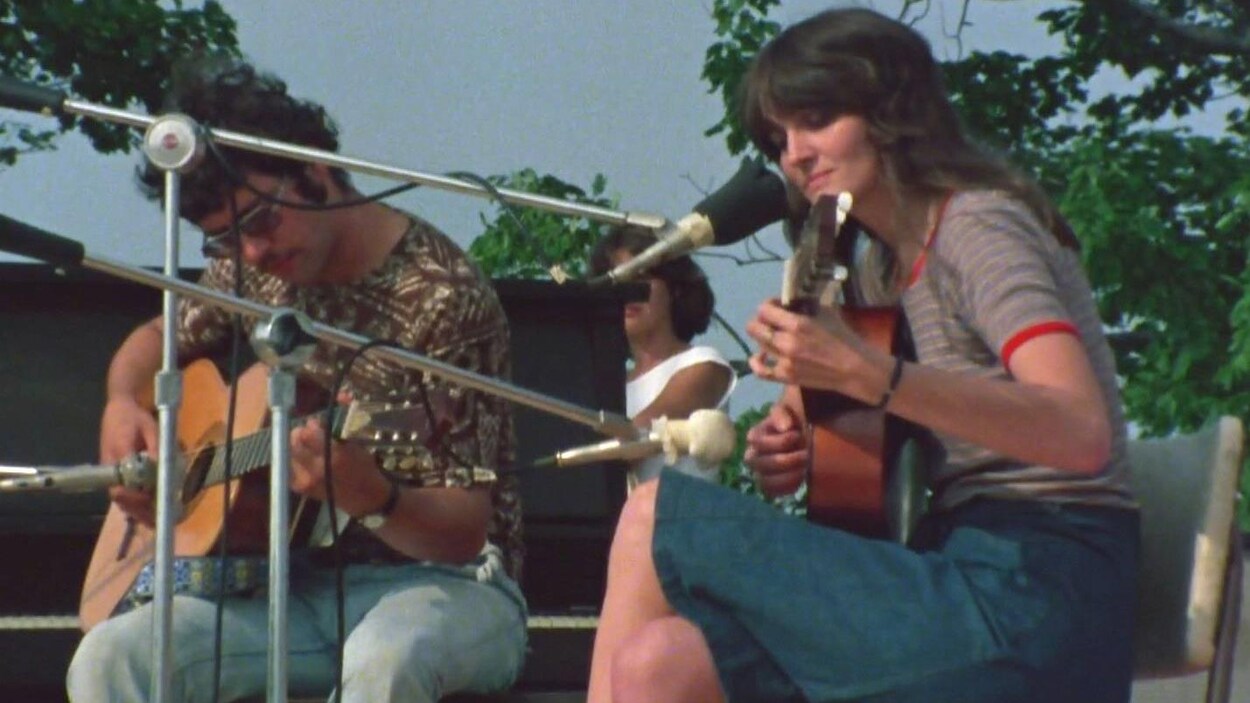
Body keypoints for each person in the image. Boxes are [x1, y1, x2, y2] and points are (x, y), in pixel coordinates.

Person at [586, 8, 1139, 703]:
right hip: (952, 569)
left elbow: (1081, 431)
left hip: (1039, 593)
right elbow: (869, 443)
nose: (794, 153)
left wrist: (873, 376)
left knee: (652, 516)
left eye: (815, 119)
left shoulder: (978, 224)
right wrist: (796, 443)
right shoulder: (871, 266)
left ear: (891, 107)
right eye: (778, 137)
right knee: (659, 662)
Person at [67, 56, 526, 703]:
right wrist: (121, 402)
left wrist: (376, 495)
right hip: (283, 587)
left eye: (258, 222)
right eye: (224, 240)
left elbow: (464, 530)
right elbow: (153, 339)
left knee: (384, 661)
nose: (250, 251)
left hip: (448, 586)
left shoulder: (444, 297)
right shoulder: (256, 267)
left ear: (312, 169)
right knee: (112, 658)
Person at [589, 225, 736, 484]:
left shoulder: (704, 363)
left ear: (675, 289)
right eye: (617, 282)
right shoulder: (604, 383)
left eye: (641, 277)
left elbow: (631, 439)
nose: (628, 291)